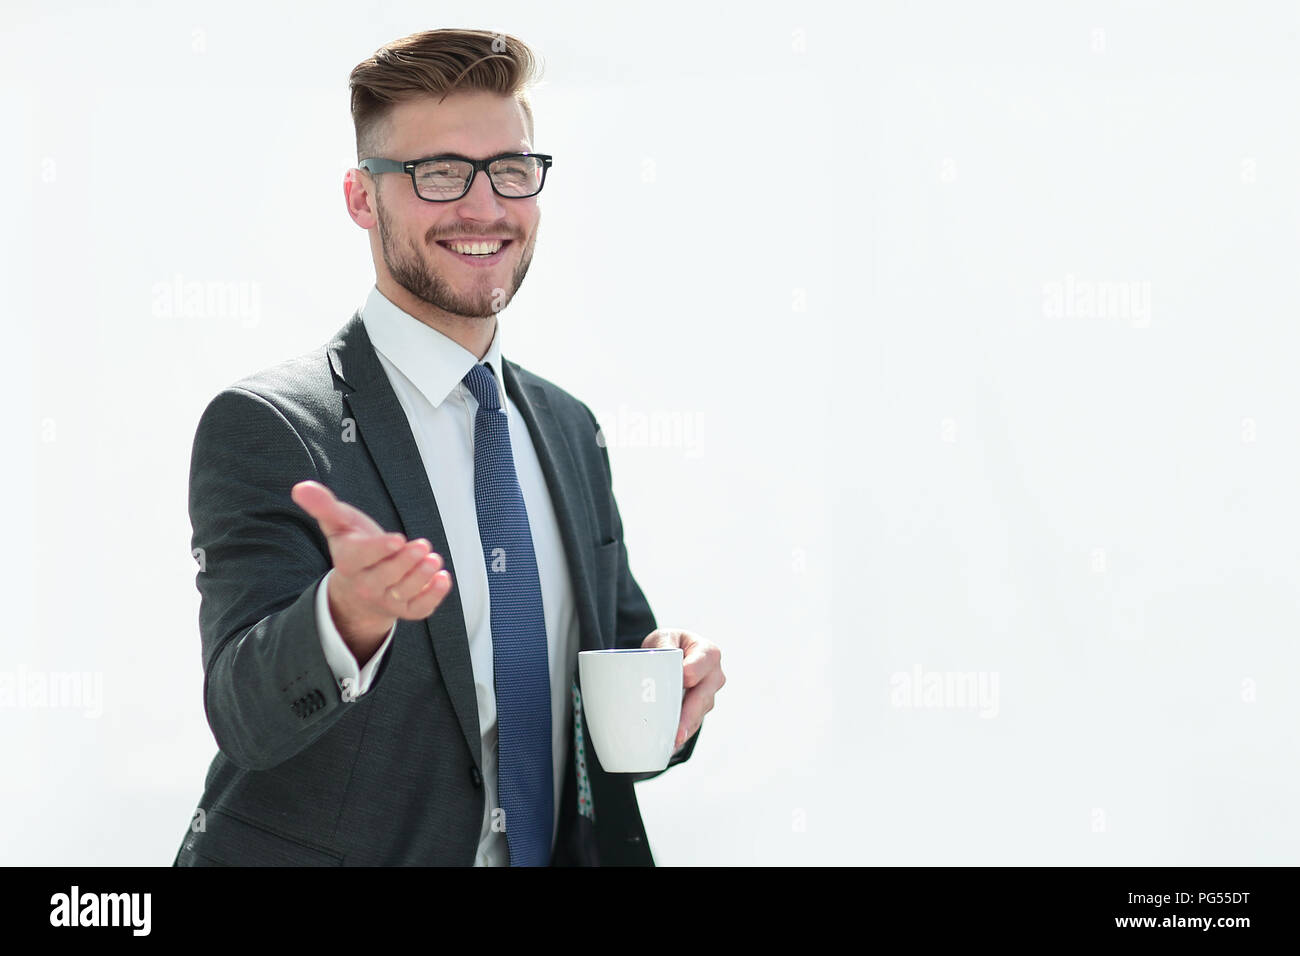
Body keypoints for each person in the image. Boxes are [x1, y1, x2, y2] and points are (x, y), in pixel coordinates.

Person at [171, 27, 724, 866]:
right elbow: (246, 714)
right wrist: (345, 618)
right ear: (363, 199)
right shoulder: (272, 426)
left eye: (510, 169)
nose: (484, 206)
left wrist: (670, 684)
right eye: (438, 174)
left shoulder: (568, 427)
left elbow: (608, 682)